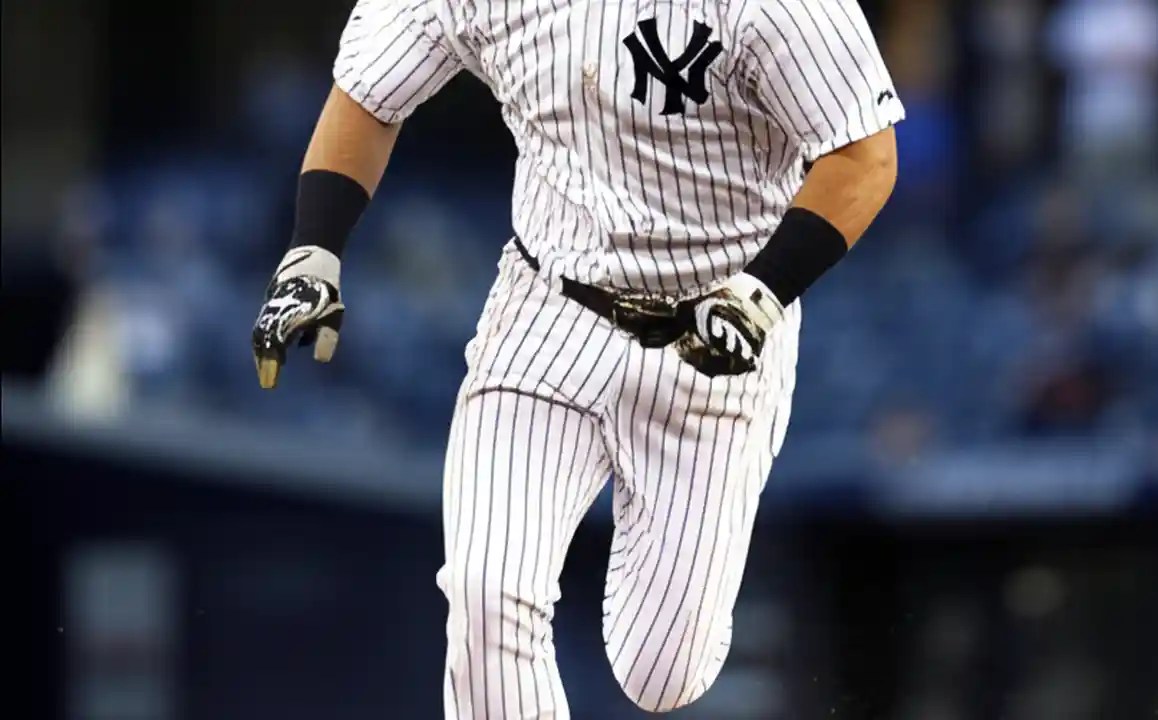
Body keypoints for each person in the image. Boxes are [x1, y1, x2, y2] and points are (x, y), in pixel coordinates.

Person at [250, 0, 902, 716]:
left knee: (663, 673)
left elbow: (865, 156)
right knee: (487, 590)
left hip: (715, 329)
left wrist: (764, 291)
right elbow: (370, 92)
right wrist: (314, 249)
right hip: (547, 309)